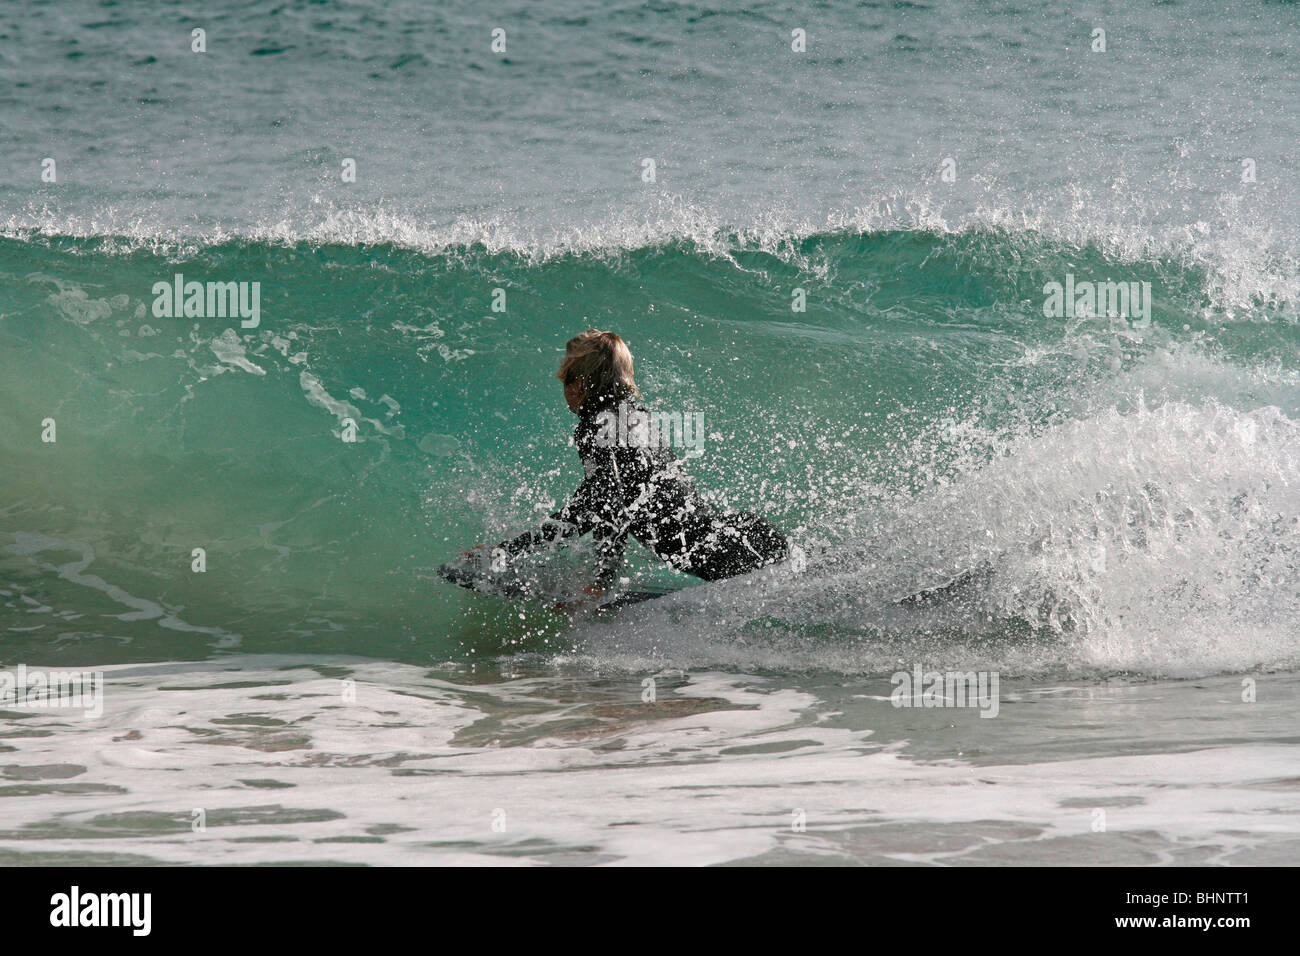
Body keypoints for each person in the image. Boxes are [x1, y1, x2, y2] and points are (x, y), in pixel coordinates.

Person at [484, 330, 789, 610]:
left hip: (729, 554)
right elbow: (602, 502)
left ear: (577, 386)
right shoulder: (634, 418)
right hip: (740, 540)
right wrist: (514, 549)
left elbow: (608, 505)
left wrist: (600, 582)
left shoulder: (600, 426)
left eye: (563, 380)